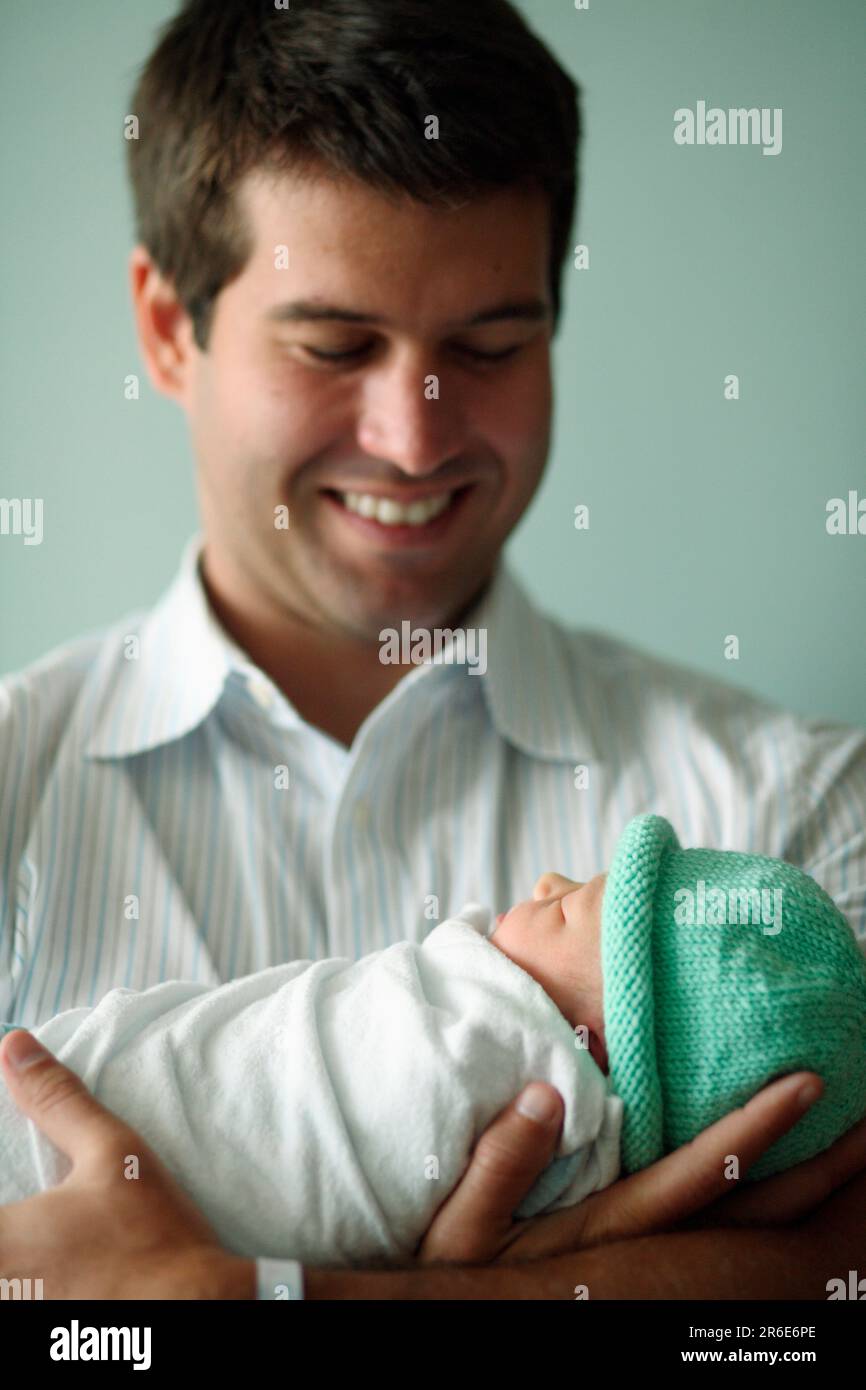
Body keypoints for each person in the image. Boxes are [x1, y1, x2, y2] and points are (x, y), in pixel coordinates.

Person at [1, 0, 865, 1300]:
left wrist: (296, 1299)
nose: (414, 441)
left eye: (488, 345)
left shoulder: (800, 812)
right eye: (333, 345)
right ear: (169, 328)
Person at [3, 813, 865, 1274]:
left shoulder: (484, 1051)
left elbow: (297, 1139)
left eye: (570, 908)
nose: (546, 882)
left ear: (591, 1051)